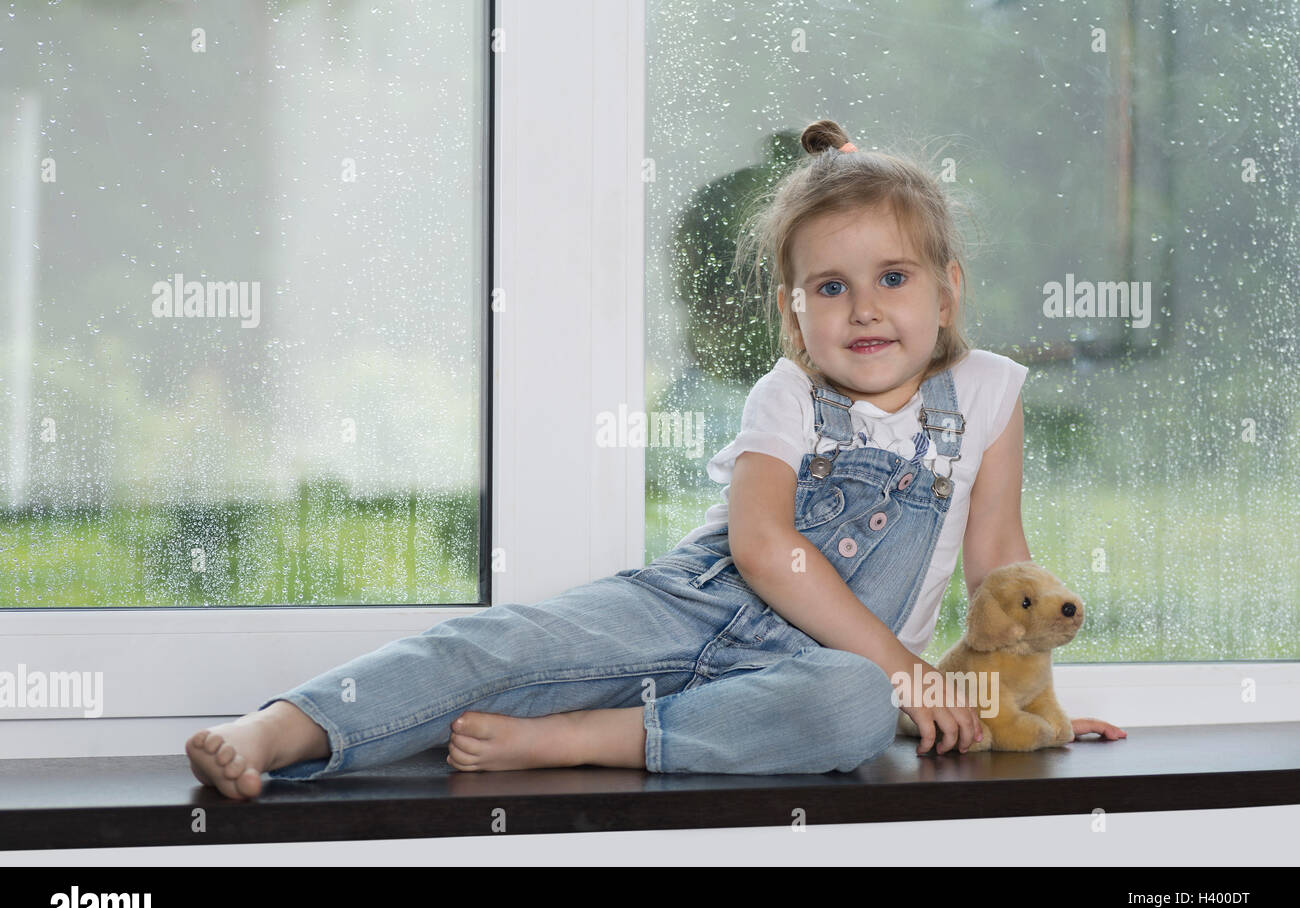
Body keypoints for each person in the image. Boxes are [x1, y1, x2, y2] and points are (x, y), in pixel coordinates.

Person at [187, 118, 1124, 800]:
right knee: (504, 643)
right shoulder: (789, 397)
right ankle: (279, 729)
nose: (865, 309)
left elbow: (1003, 579)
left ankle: (588, 741)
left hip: (817, 670)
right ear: (796, 312)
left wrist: (1018, 699)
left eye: (893, 278)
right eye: (830, 287)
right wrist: (909, 669)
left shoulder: (991, 397)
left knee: (854, 709)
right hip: (692, 605)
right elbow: (763, 548)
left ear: (948, 291)